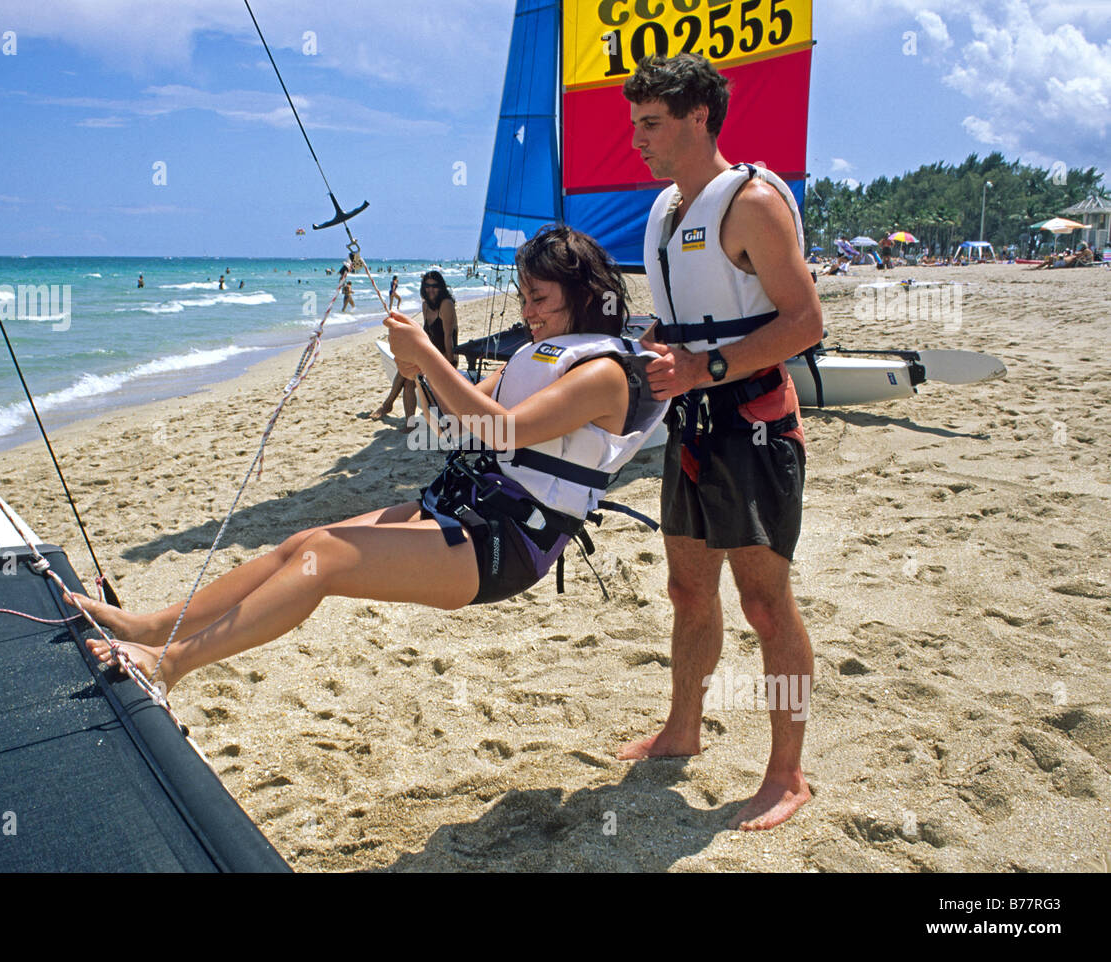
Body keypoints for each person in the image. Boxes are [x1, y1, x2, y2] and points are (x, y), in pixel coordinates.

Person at [69, 226, 667, 700]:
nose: (528, 312)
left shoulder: (605, 375)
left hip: (507, 544)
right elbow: (458, 418)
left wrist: (430, 358)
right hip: (463, 508)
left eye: (539, 298)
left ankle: (168, 666)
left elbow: (499, 431)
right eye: (522, 298)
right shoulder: (534, 358)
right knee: (304, 540)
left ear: (583, 296)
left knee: (322, 563)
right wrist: (419, 373)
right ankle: (151, 628)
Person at [623, 53, 824, 831]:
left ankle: (787, 774)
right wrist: (628, 355)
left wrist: (701, 366)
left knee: (765, 606)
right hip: (692, 430)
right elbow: (676, 319)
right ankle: (683, 730)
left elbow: (805, 324)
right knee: (686, 591)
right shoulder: (667, 211)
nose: (637, 140)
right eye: (635, 124)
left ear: (699, 117)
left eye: (651, 123)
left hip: (755, 428)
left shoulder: (752, 202)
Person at [370, 271, 458, 426]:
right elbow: (426, 334)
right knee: (407, 374)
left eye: (434, 286)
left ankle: (388, 405)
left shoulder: (446, 304)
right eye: (427, 286)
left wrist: (450, 365)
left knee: (409, 379)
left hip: (445, 356)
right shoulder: (425, 306)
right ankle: (406, 420)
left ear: (441, 287)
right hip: (429, 355)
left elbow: (448, 336)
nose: (431, 289)